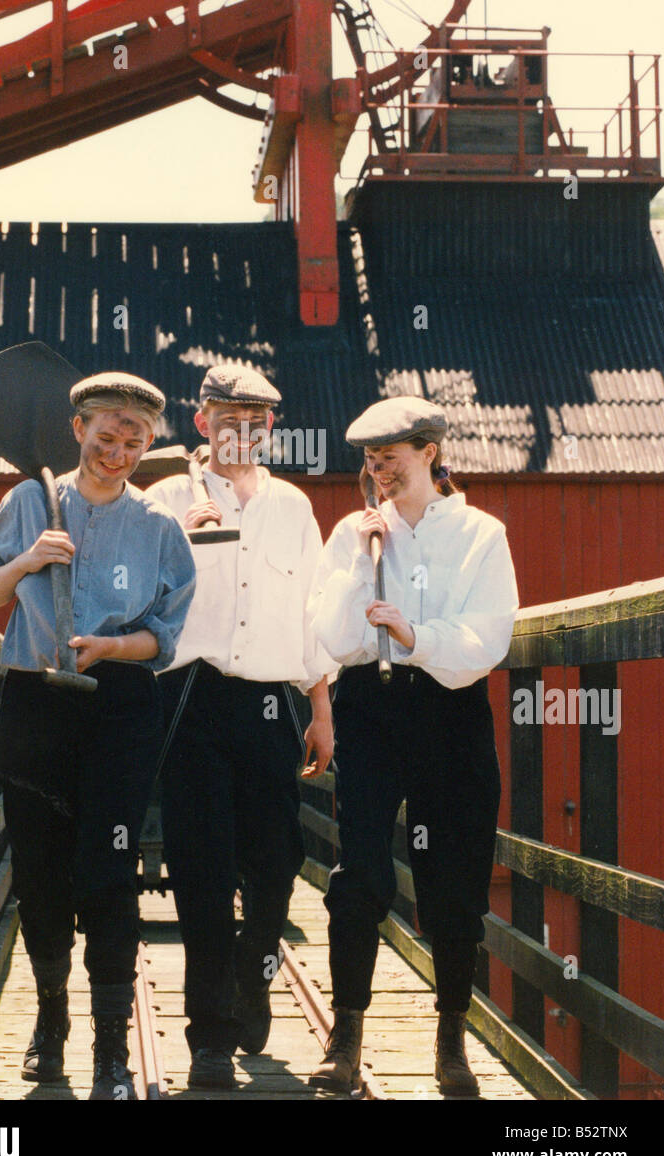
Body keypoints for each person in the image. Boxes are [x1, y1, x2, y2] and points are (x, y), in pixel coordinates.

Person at [0, 371, 196, 1100]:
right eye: (106, 436)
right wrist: (30, 558)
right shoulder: (29, 500)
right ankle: (50, 1025)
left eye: (134, 439)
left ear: (150, 441)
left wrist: (111, 648)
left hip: (118, 705)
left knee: (107, 871)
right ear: (78, 431)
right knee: (39, 871)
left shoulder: (160, 529)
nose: (119, 451)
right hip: (35, 703)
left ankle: (109, 1052)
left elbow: (162, 637)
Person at [306, 396, 519, 1096]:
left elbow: (484, 641)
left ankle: (450, 1039)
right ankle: (346, 1035)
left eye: (389, 460)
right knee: (358, 871)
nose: (377, 474)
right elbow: (334, 641)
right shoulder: (352, 533)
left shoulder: (480, 534)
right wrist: (354, 565)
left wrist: (414, 636)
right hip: (369, 709)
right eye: (369, 463)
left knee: (454, 884)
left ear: (428, 452)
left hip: (449, 711)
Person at [148, 362, 336, 1090]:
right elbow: (130, 600)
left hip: (269, 703)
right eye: (227, 419)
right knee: (200, 868)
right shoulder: (164, 497)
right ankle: (210, 1039)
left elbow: (312, 610)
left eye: (254, 421)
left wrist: (320, 709)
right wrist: (173, 543)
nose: (241, 432)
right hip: (192, 698)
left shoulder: (290, 506)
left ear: (269, 429)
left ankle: (254, 971)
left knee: (277, 858)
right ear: (203, 424)